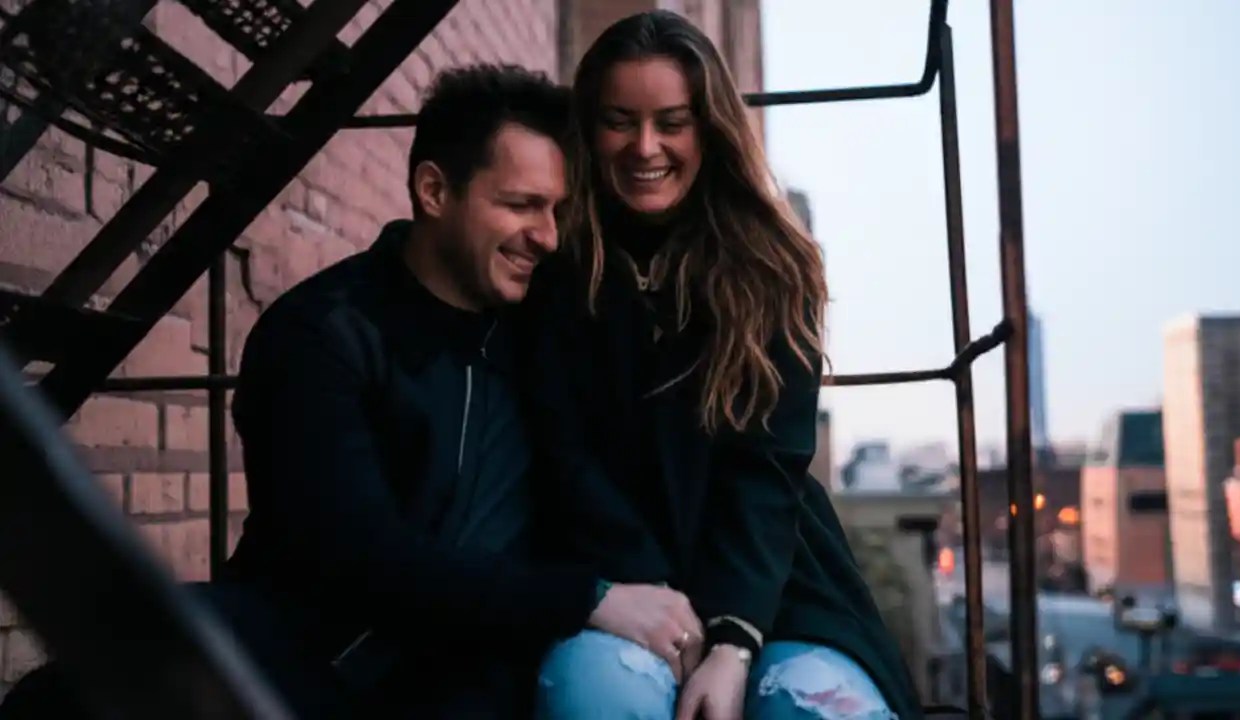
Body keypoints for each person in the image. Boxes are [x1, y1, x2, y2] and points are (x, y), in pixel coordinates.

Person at [0, 64, 701, 720]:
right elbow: (359, 555)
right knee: (81, 686)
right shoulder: (322, 333)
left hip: (473, 668)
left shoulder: (542, 334)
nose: (547, 237)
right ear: (433, 191)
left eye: (558, 210)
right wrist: (588, 597)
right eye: (521, 205)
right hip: (308, 647)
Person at [524, 12, 924, 720]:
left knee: (817, 709)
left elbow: (767, 469)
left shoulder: (772, 264)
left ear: (707, 126)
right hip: (611, 574)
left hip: (770, 577)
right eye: (620, 120)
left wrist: (734, 641)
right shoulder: (554, 262)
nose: (645, 147)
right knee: (598, 695)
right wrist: (651, 608)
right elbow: (562, 455)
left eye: (671, 121)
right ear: (588, 129)